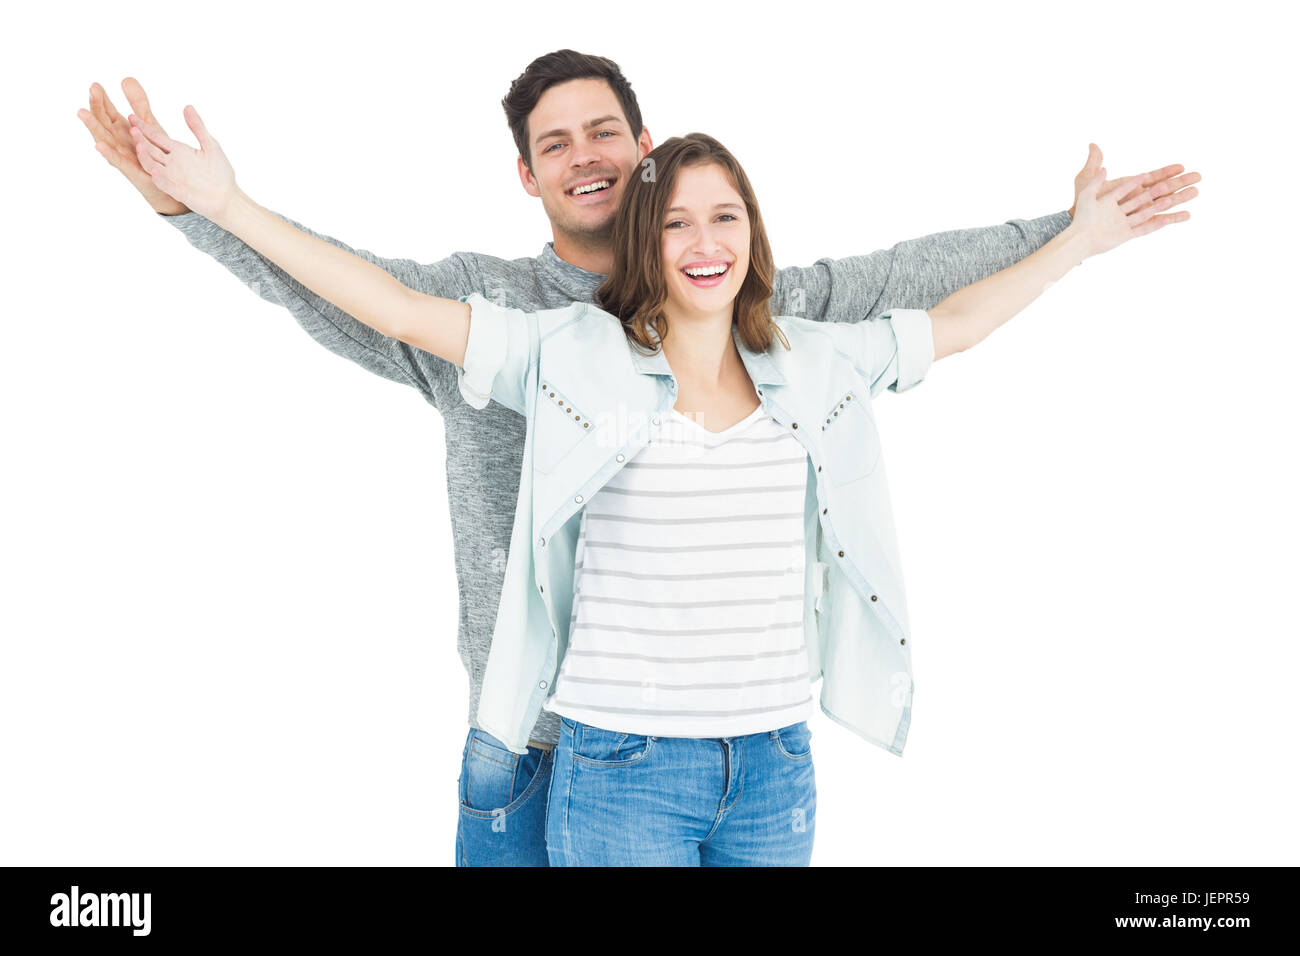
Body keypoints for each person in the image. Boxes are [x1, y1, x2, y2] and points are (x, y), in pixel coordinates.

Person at [79, 50, 1198, 866]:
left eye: (604, 130)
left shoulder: (777, 323)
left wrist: (1067, 233)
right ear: (526, 174)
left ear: (647, 148)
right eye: (554, 142)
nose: (585, 157)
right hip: (541, 733)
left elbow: (922, 292)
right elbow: (355, 289)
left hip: (753, 750)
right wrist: (207, 210)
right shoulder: (517, 321)